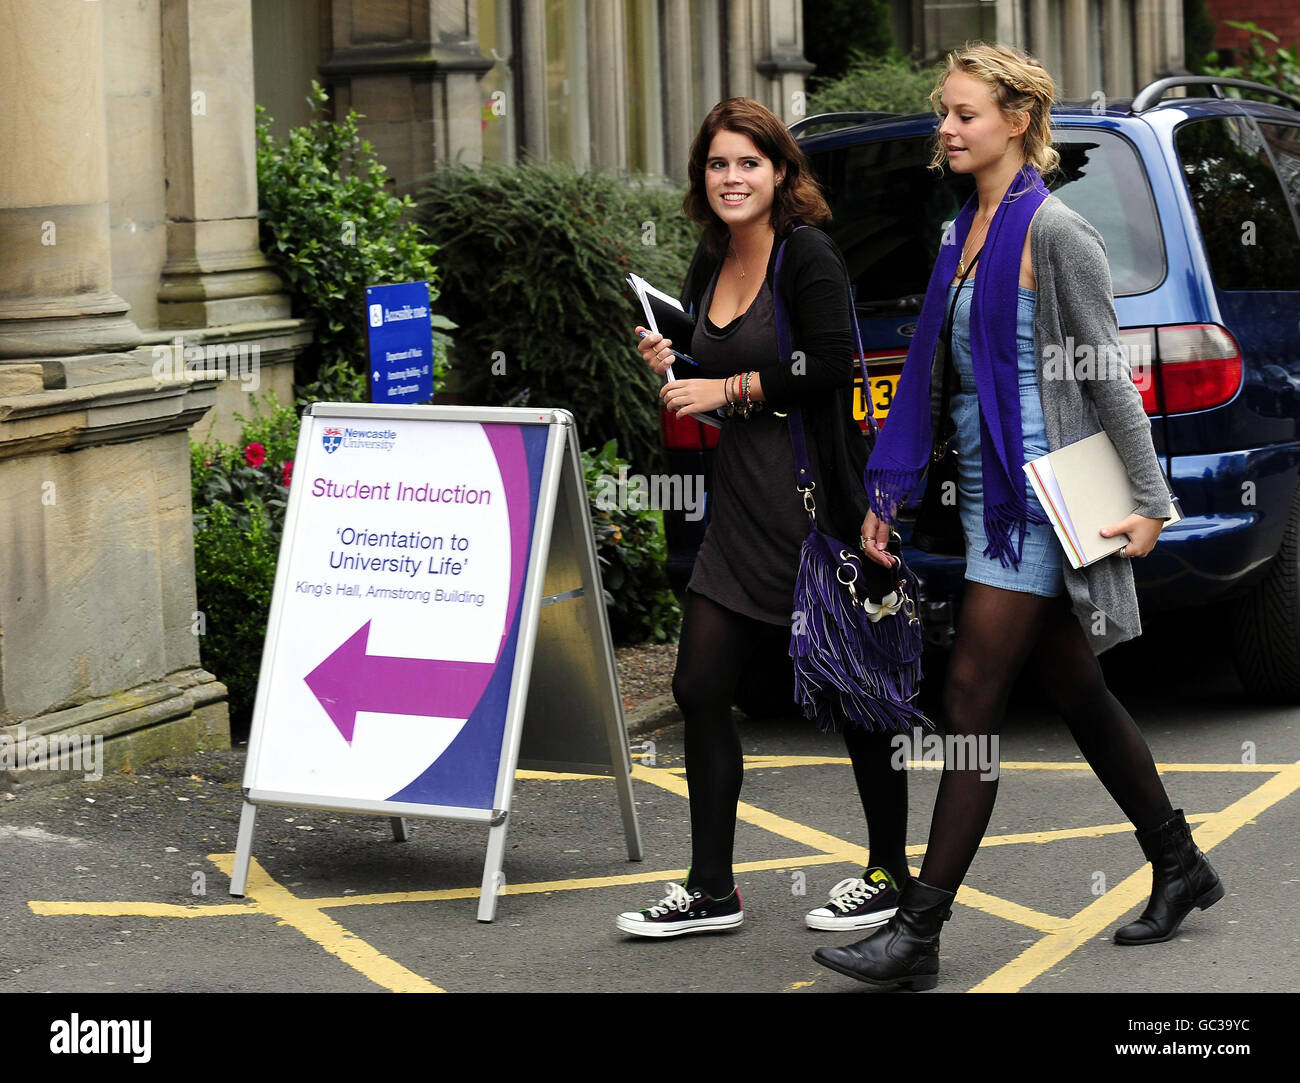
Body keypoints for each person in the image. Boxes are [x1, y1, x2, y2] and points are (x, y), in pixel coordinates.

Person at [813, 43, 1223, 990]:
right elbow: (928, 375)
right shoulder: (967, 228)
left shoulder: (1056, 233)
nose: (945, 129)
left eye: (963, 114)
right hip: (990, 503)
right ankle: (1179, 860)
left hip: (1037, 507)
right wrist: (890, 491)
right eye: (944, 113)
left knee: (968, 702)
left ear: (1017, 123)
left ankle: (918, 930)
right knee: (1077, 690)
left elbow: (1110, 379)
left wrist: (1152, 502)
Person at [615, 97, 912, 938]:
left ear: (781, 172)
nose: (732, 178)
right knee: (699, 686)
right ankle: (712, 888)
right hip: (739, 513)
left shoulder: (807, 255)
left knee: (858, 697)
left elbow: (825, 368)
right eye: (717, 164)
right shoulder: (709, 263)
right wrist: (674, 367)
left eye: (749, 162)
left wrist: (723, 387)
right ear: (700, 179)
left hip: (816, 513)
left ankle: (889, 871)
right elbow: (712, 394)